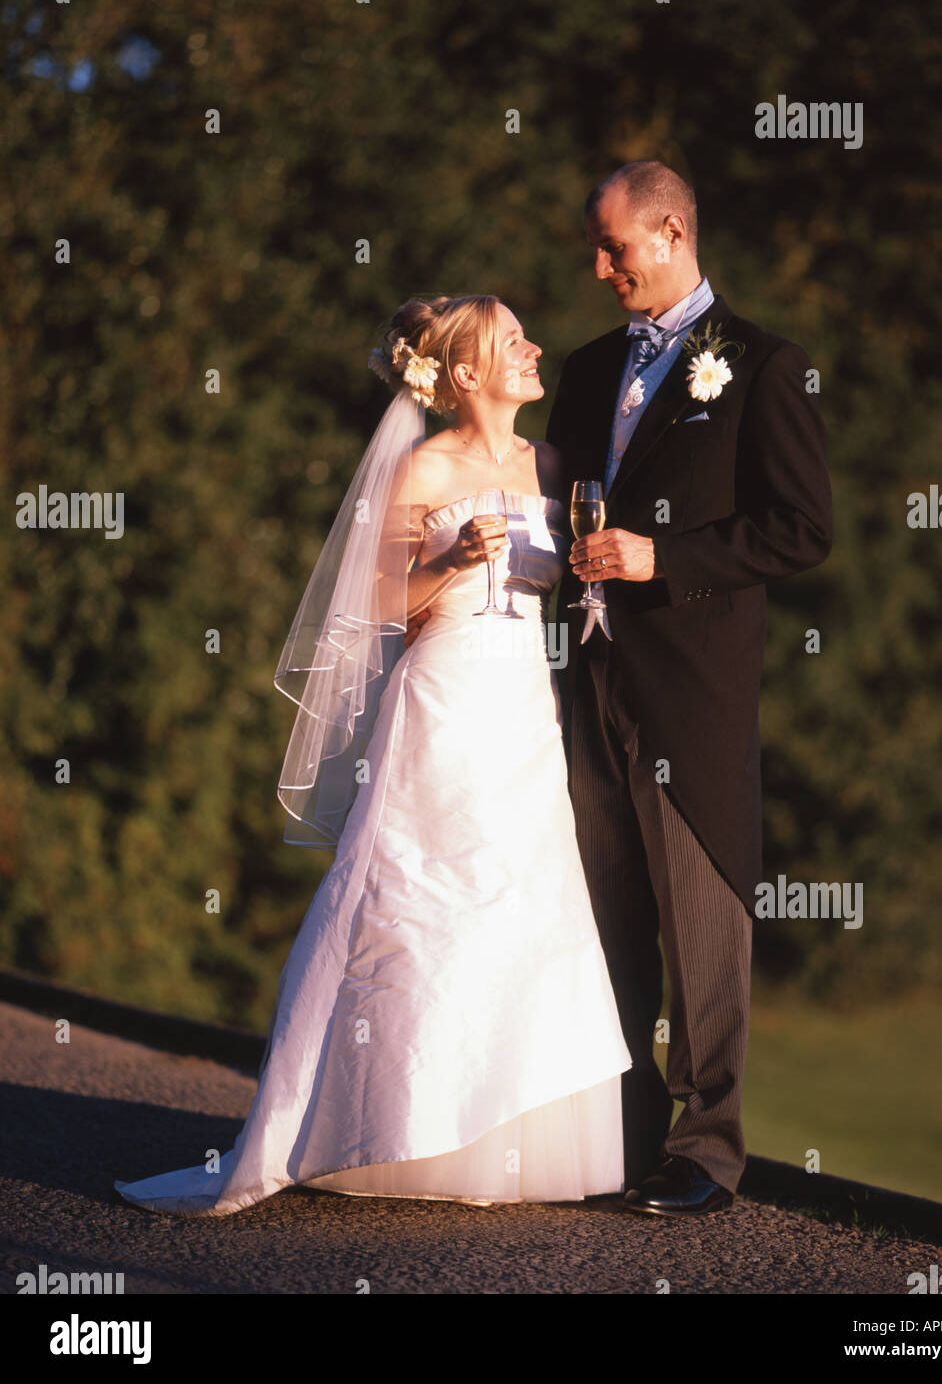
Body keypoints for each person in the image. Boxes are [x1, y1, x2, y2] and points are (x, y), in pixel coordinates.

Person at [114, 294, 631, 1216]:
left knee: (520, 901)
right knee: (417, 896)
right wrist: (448, 562)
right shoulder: (422, 469)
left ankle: (487, 1138)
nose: (534, 347)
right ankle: (364, 1124)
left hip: (525, 707)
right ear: (466, 373)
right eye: (514, 340)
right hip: (443, 700)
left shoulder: (551, 464)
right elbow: (374, 610)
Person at [545, 161, 833, 1215]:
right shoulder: (584, 371)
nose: (600, 266)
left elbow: (802, 529)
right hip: (584, 682)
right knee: (605, 923)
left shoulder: (762, 366)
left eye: (615, 247)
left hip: (692, 697)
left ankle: (705, 1153)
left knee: (703, 931)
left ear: (670, 234)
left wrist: (659, 558)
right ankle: (618, 1144)